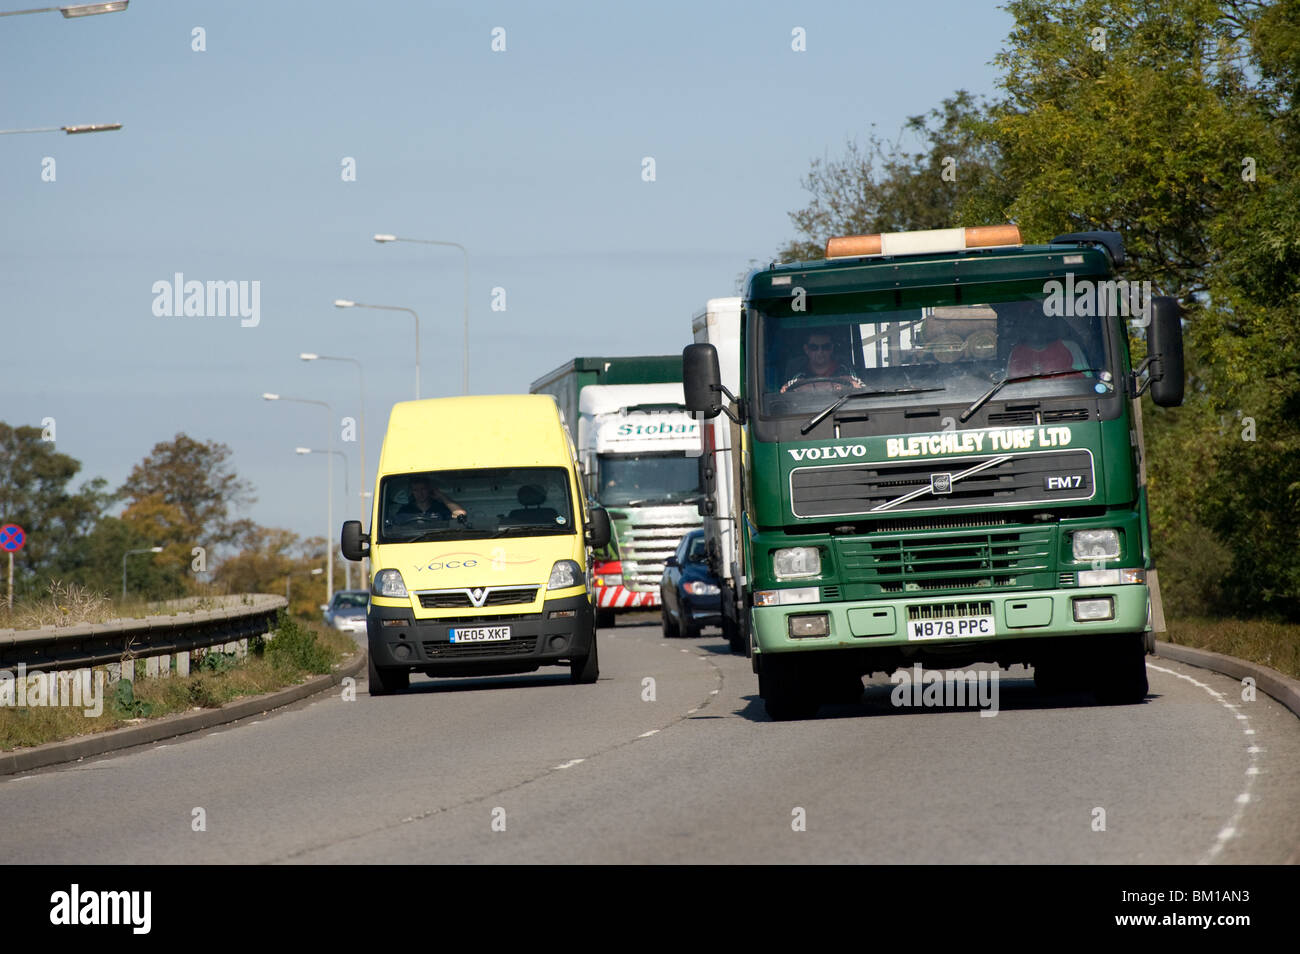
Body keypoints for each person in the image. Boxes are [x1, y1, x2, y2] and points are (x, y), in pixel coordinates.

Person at [779, 331, 867, 393]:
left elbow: (863, 392)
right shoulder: (798, 376)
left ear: (832, 348)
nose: (820, 352)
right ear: (806, 349)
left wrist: (853, 385)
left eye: (826, 347)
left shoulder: (846, 372)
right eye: (814, 347)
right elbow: (784, 394)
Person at [396, 475, 466, 521]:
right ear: (412, 492)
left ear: (429, 489)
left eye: (423, 489)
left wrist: (441, 496)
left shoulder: (440, 508)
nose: (420, 493)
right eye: (416, 490)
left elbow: (460, 514)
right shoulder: (405, 511)